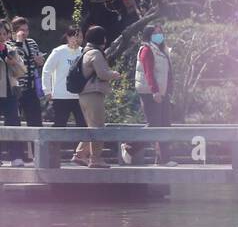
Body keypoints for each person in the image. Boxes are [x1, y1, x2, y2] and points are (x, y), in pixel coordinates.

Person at [75, 25, 122, 168]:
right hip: (93, 94)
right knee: (98, 128)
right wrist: (115, 74)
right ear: (100, 38)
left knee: (92, 126)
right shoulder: (95, 53)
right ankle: (95, 159)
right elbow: (103, 74)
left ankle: (80, 154)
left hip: (85, 95)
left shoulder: (86, 52)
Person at [129, 24, 175, 166]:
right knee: (154, 124)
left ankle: (162, 159)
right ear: (149, 35)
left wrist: (167, 92)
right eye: (156, 33)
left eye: (161, 32)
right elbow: (148, 72)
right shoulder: (146, 49)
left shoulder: (162, 51)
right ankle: (130, 146)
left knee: (165, 125)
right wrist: (155, 91)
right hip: (150, 93)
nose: (159, 35)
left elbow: (167, 74)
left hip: (163, 93)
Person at [8, 16, 45, 166]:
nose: (25, 33)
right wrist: (18, 41)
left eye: (27, 29)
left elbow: (36, 62)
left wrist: (39, 61)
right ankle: (16, 156)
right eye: (22, 30)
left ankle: (39, 156)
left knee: (36, 122)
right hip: (15, 89)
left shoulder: (32, 42)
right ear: (15, 31)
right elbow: (13, 60)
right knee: (14, 122)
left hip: (30, 89)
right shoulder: (9, 43)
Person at [42, 26, 87, 135]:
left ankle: (80, 151)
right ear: (68, 37)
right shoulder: (59, 51)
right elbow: (46, 70)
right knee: (59, 125)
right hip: (61, 96)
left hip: (79, 97)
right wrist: (47, 91)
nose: (77, 40)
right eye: (75, 37)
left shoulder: (84, 52)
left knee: (83, 126)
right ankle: (54, 151)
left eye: (80, 37)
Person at [1, 21, 28, 166]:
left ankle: (16, 156)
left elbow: (22, 71)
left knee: (14, 123)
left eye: (4, 34)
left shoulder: (11, 49)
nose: (2, 36)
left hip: (10, 92)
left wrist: (13, 63)